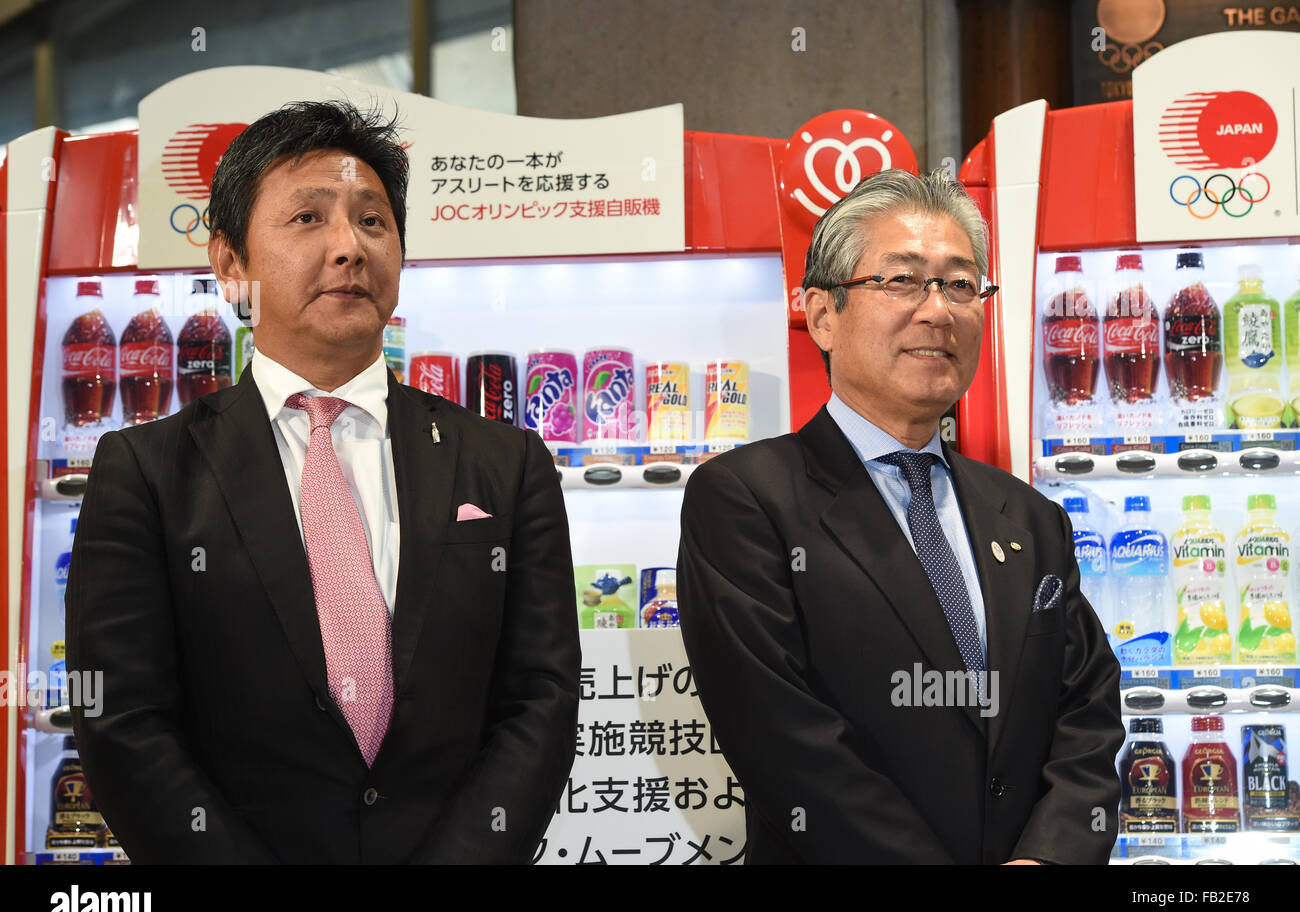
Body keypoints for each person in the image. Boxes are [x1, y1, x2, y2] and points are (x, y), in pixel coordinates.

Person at [66, 100, 580, 864]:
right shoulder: (145, 470)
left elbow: (541, 700)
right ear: (230, 263)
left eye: (373, 222)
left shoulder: (506, 463)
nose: (348, 247)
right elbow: (121, 721)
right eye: (308, 218)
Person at [676, 169, 1123, 864]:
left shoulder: (1029, 517)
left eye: (961, 283)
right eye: (903, 280)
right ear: (823, 315)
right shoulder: (744, 499)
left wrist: (1050, 855)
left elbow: (1088, 712)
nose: (938, 310)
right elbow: (786, 742)